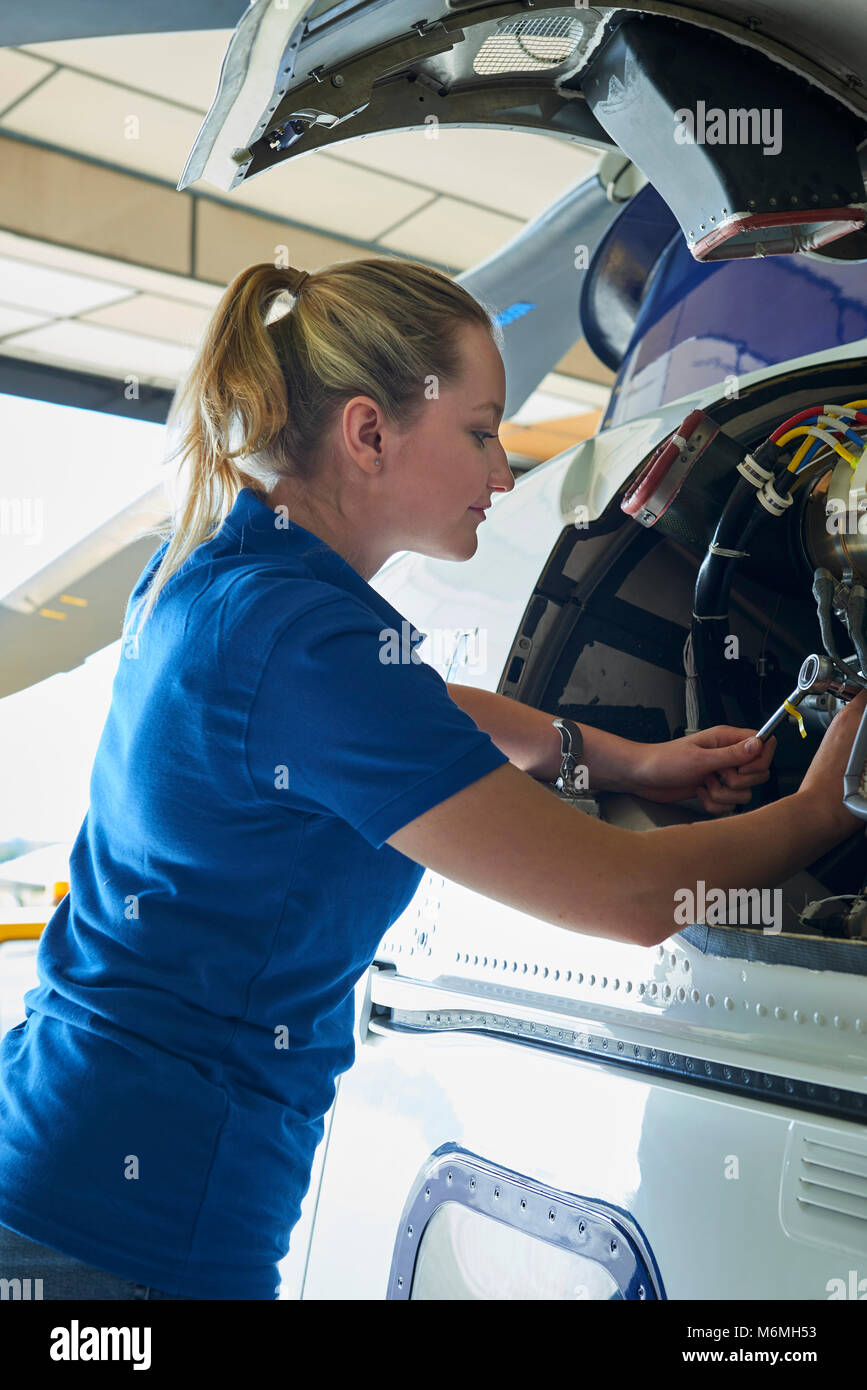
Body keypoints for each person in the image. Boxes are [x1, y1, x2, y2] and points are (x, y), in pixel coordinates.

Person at [0, 256, 863, 1302]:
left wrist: (616, 757)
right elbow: (629, 896)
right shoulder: (305, 641)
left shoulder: (223, 572)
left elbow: (417, 707)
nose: (504, 473)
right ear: (368, 433)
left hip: (65, 1166)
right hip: (120, 1232)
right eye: (481, 432)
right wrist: (823, 809)